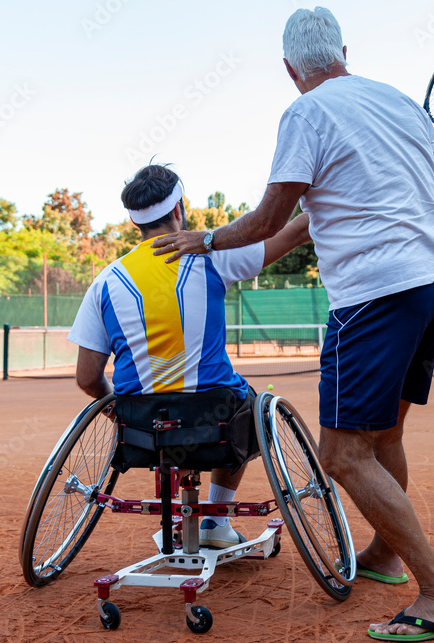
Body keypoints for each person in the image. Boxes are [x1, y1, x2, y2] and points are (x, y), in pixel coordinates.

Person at [152, 7, 434, 640]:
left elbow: (266, 220)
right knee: (384, 436)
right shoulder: (400, 102)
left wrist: (203, 239)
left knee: (342, 456)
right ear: (344, 50)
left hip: (374, 297)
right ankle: (384, 555)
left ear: (288, 68)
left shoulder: (305, 112)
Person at [69, 163, 310, 550]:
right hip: (216, 422)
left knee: (168, 415)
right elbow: (297, 231)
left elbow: (87, 378)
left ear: (135, 222)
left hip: (141, 430)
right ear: (179, 209)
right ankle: (214, 518)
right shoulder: (212, 255)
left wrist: (121, 410)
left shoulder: (106, 281)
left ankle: (185, 513)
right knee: (247, 405)